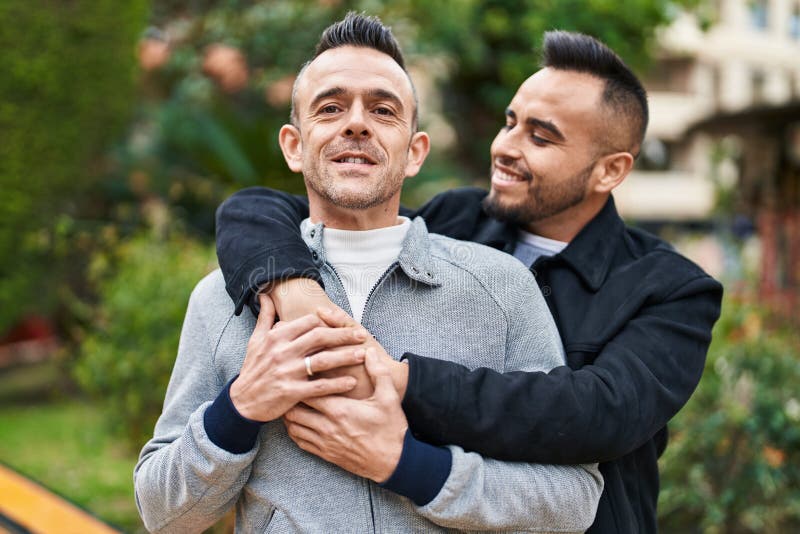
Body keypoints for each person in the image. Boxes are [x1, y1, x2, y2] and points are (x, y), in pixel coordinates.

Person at [214, 29, 724, 533]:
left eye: (540, 136)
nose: (505, 147)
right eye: (511, 122)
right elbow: (265, 208)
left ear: (609, 171)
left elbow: (597, 412)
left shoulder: (672, 290)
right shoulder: (456, 220)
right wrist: (293, 286)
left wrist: (404, 385)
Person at [135, 13, 603, 533]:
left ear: (414, 152)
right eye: (331, 107)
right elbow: (163, 515)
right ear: (294, 145)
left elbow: (573, 500)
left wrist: (412, 469)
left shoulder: (502, 289)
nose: (356, 123)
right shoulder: (223, 301)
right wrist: (241, 407)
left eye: (383, 110)